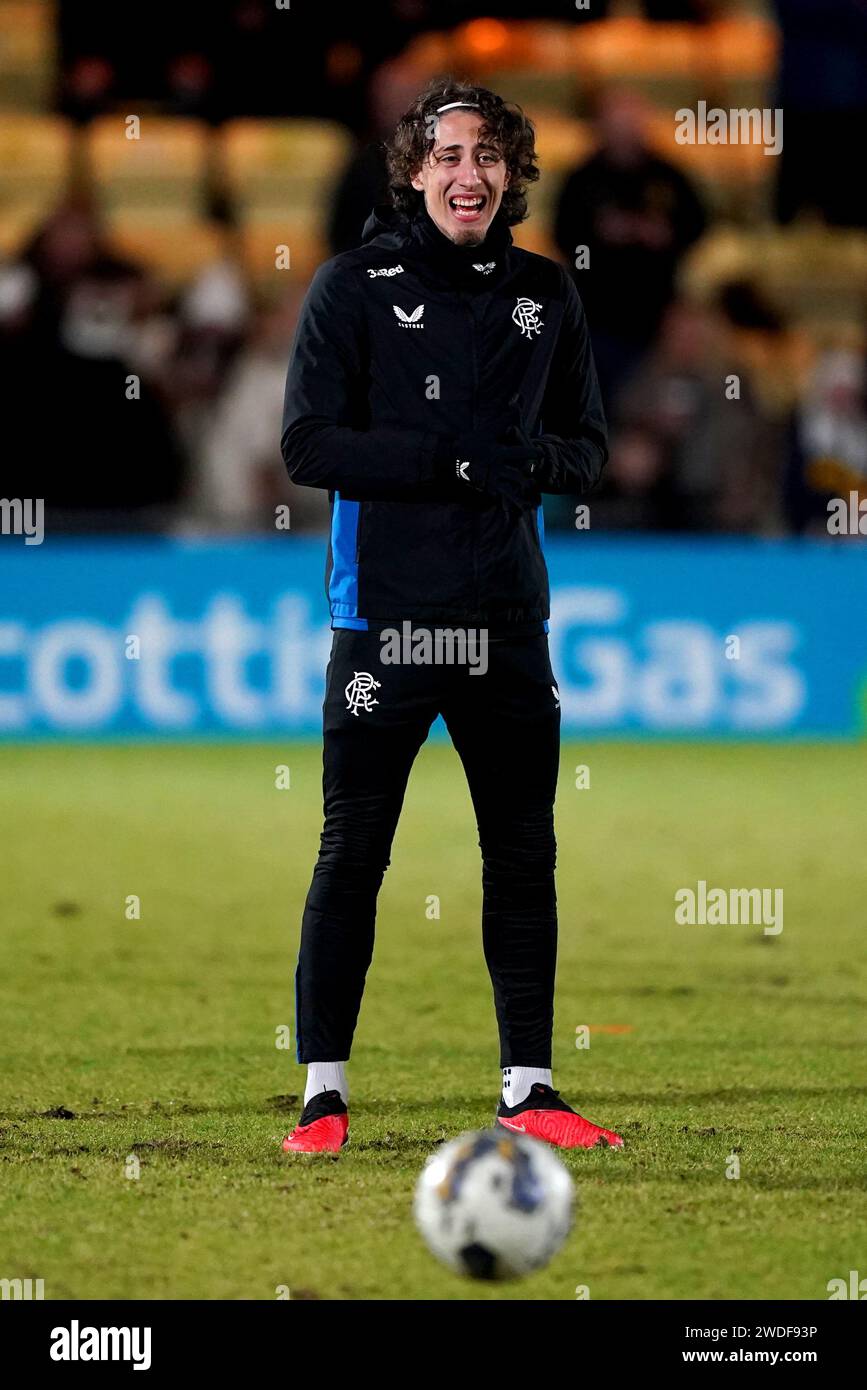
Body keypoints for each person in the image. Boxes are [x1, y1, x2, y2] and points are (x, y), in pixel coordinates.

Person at [280, 79, 622, 1154]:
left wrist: (533, 461)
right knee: (354, 849)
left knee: (523, 854)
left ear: (512, 176)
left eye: (488, 155)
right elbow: (308, 445)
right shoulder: (352, 285)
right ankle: (322, 1096)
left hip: (507, 620)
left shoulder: (545, 292)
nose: (468, 173)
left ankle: (531, 1087)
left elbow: (588, 450)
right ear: (415, 172)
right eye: (448, 155)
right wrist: (450, 460)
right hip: (384, 619)